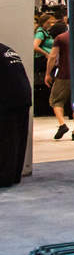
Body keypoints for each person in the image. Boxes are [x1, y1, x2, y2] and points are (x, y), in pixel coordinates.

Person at [46, 14, 74, 140]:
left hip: (63, 75)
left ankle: (62, 124)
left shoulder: (60, 38)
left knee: (56, 101)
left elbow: (52, 57)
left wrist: (47, 73)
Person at [0, 39, 31, 185]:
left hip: (8, 98)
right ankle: (14, 174)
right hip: (22, 95)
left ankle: (4, 178)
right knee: (18, 136)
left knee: (6, 139)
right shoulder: (6, 49)